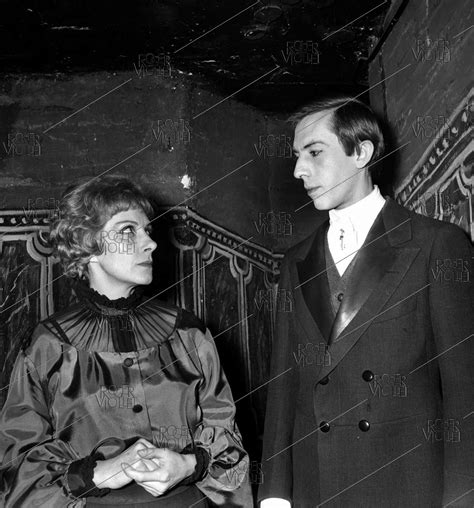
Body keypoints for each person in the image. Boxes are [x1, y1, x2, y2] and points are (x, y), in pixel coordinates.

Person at [258, 96, 474, 507]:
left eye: (314, 152)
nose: (299, 170)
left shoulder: (437, 245)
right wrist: (274, 496)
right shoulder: (295, 261)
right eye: (297, 156)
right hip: (316, 490)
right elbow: (283, 386)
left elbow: (466, 394)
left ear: (362, 152)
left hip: (407, 488)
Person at [0, 176, 252, 507]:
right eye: (127, 231)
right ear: (87, 244)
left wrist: (190, 464)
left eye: (147, 231)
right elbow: (17, 464)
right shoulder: (47, 345)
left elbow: (229, 443)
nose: (150, 244)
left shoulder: (188, 333)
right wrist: (97, 473)